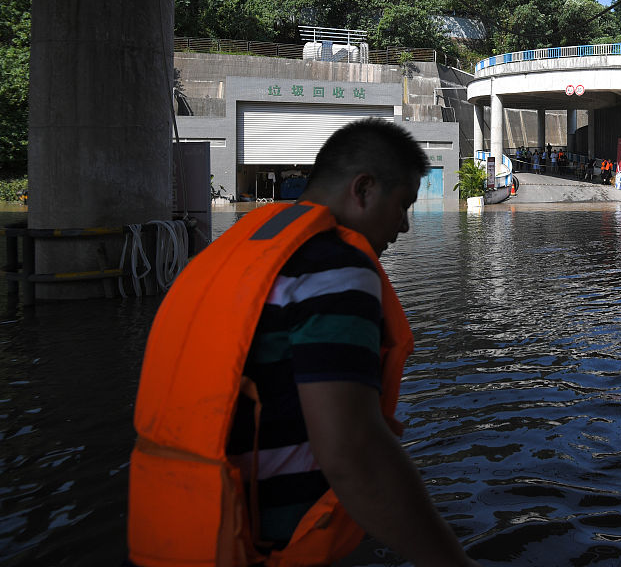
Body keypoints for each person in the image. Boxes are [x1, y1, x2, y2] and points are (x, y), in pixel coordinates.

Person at [127, 119, 479, 567]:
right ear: (364, 189)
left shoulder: (230, 252)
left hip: (174, 540)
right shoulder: (333, 267)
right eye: (403, 205)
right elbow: (353, 451)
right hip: (257, 550)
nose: (404, 226)